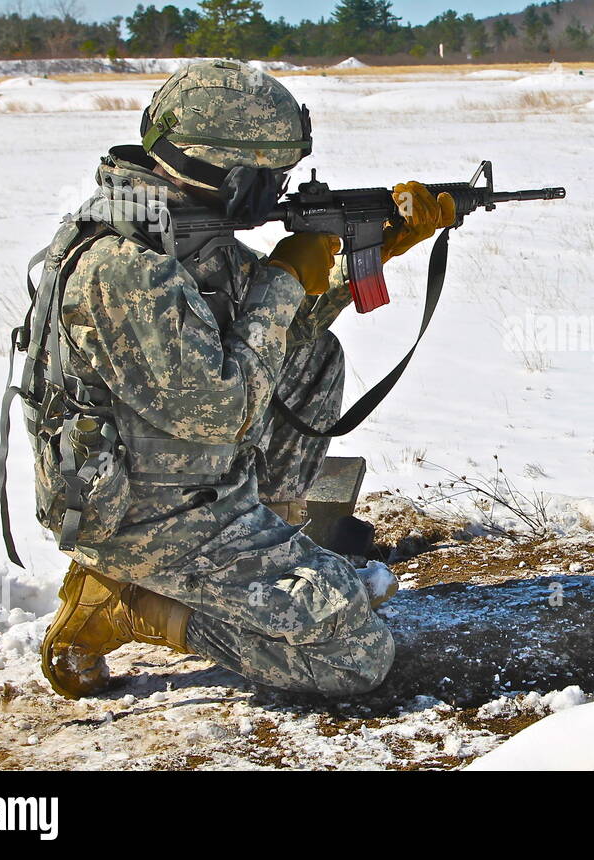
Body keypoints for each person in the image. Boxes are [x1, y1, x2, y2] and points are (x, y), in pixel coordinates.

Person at [33, 60, 454, 699]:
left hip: (198, 481)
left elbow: (274, 335)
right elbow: (223, 407)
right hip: (141, 514)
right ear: (226, 171)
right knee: (357, 655)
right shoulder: (127, 267)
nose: (276, 190)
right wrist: (284, 278)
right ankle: (129, 604)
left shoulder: (183, 229)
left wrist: (376, 250)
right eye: (269, 175)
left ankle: (269, 539)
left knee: (316, 359)